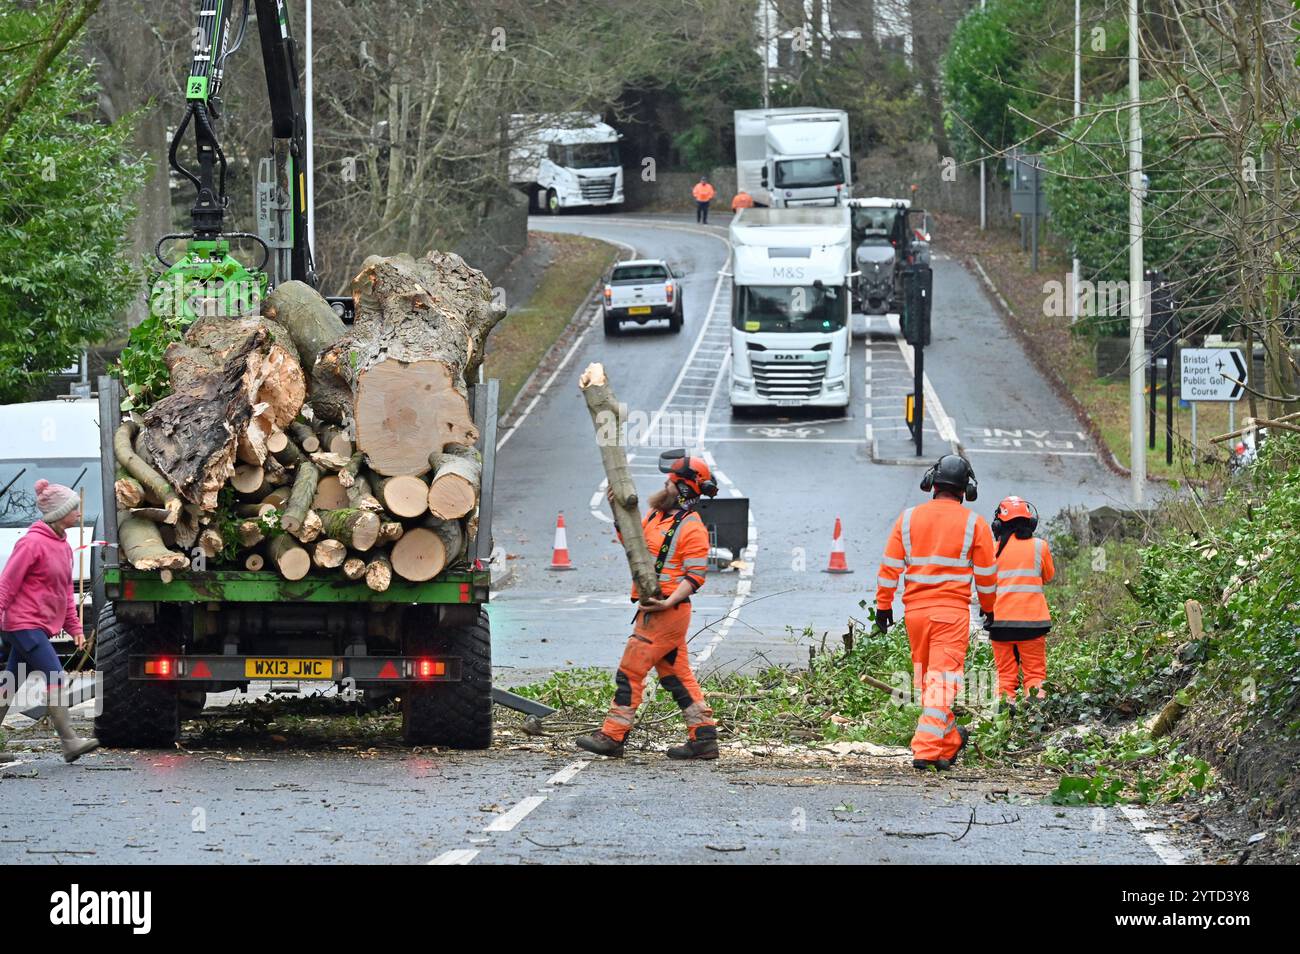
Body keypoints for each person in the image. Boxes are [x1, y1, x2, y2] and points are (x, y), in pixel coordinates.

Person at [576, 454, 719, 760]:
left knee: (630, 671)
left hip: (665, 613)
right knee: (676, 676)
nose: (664, 484)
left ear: (681, 488)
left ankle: (612, 736)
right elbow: (633, 541)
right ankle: (704, 736)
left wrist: (667, 600)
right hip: (656, 610)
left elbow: (695, 576)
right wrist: (616, 508)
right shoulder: (657, 516)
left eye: (669, 480)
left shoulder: (692, 527)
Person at [874, 455, 997, 771]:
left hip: (915, 615)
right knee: (941, 685)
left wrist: (883, 606)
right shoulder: (975, 524)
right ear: (966, 490)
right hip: (950, 616)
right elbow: (986, 575)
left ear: (932, 483)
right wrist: (989, 609)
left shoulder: (908, 519)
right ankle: (926, 749)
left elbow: (889, 568)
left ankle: (951, 742)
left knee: (931, 684)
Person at [0, 479, 98, 763]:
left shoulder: (64, 547)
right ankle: (69, 741)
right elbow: (7, 584)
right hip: (22, 624)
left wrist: (76, 629)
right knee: (55, 674)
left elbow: (66, 593)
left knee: (10, 681)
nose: (79, 514)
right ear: (58, 513)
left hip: (37, 626)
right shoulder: (31, 544)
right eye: (74, 509)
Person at [986, 496, 1054, 709]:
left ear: (998, 524)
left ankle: (1005, 723)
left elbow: (983, 585)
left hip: (1000, 625)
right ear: (1030, 522)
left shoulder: (991, 550)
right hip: (1033, 624)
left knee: (1006, 677)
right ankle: (1036, 718)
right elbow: (1048, 576)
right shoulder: (1039, 547)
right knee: (1035, 675)